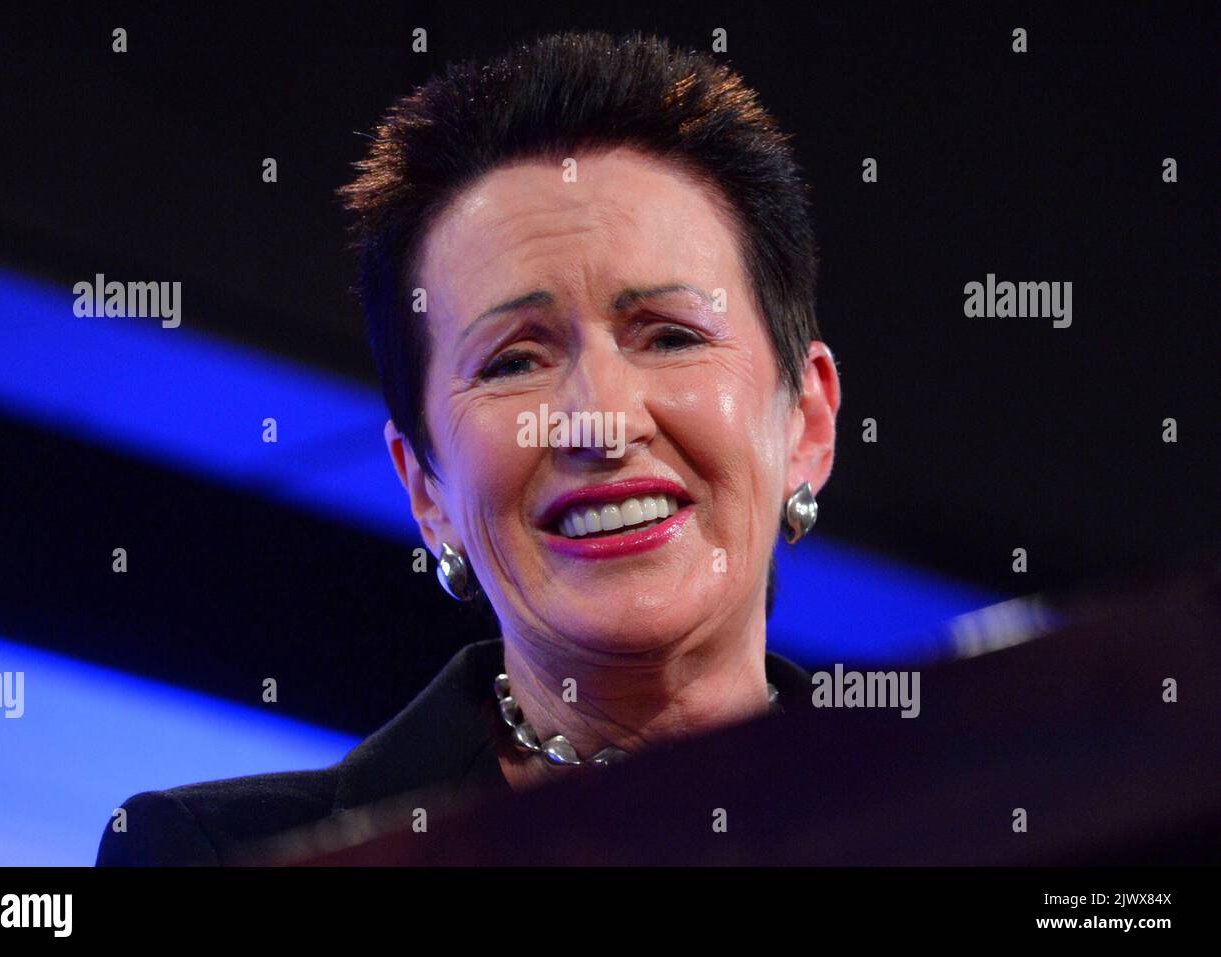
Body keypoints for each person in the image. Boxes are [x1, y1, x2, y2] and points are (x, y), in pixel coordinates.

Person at [97, 29, 841, 866]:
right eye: (513, 360)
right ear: (426, 490)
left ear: (807, 421)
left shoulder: (975, 814)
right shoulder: (222, 856)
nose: (598, 420)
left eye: (668, 336)